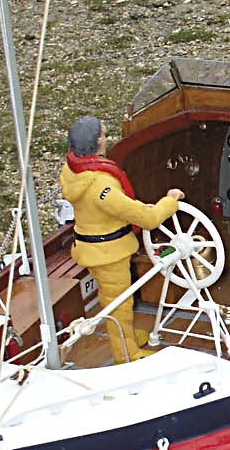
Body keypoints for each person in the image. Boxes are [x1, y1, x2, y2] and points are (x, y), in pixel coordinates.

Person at [60, 116, 183, 364]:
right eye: (103, 135)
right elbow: (148, 220)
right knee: (119, 304)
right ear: (97, 143)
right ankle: (126, 355)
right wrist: (170, 200)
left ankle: (126, 338)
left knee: (116, 299)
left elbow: (116, 209)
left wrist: (135, 208)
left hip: (90, 244)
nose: (106, 138)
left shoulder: (72, 170)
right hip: (108, 252)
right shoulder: (100, 185)